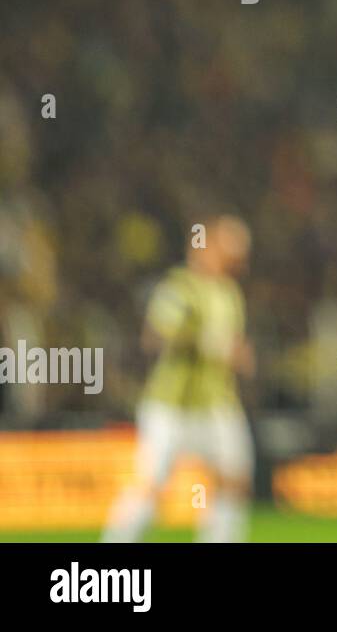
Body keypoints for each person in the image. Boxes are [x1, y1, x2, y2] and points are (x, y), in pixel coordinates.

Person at [102, 214, 255, 542]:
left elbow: (230, 347)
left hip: (217, 403)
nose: (239, 258)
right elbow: (155, 336)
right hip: (172, 405)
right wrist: (210, 344)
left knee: (235, 479)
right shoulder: (181, 288)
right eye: (232, 249)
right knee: (152, 483)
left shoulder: (229, 293)